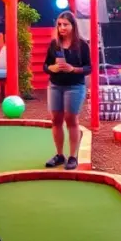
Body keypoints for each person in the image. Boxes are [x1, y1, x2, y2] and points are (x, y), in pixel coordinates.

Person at [43, 10, 91, 170]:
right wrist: (52, 68)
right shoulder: (54, 44)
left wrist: (73, 69)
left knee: (71, 119)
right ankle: (59, 155)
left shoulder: (82, 45)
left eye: (65, 24)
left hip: (75, 86)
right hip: (55, 85)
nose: (62, 27)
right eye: (59, 25)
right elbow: (45, 66)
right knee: (56, 120)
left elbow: (89, 67)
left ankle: (72, 156)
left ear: (73, 26)